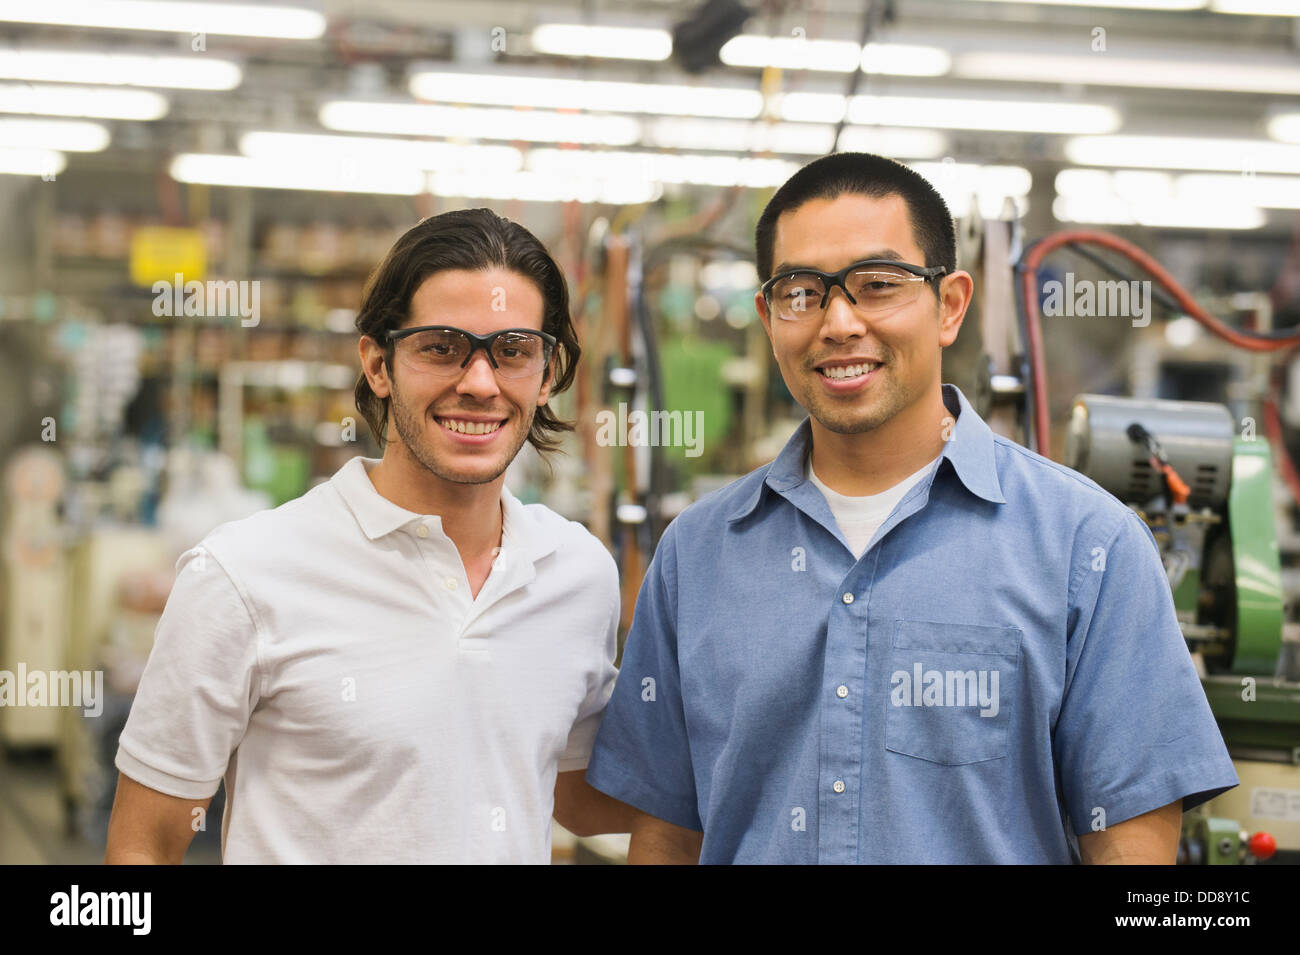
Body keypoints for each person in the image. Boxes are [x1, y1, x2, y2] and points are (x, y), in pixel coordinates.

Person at [585, 152, 1238, 864]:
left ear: (950, 305)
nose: (838, 322)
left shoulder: (1089, 547)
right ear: (768, 316)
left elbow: (1131, 847)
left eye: (878, 285)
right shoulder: (697, 554)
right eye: (802, 291)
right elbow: (667, 836)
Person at [106, 208, 631, 863]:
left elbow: (575, 792)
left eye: (513, 350)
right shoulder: (243, 574)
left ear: (547, 373)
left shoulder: (577, 572)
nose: (479, 382)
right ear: (379, 364)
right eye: (441, 346)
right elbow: (143, 844)